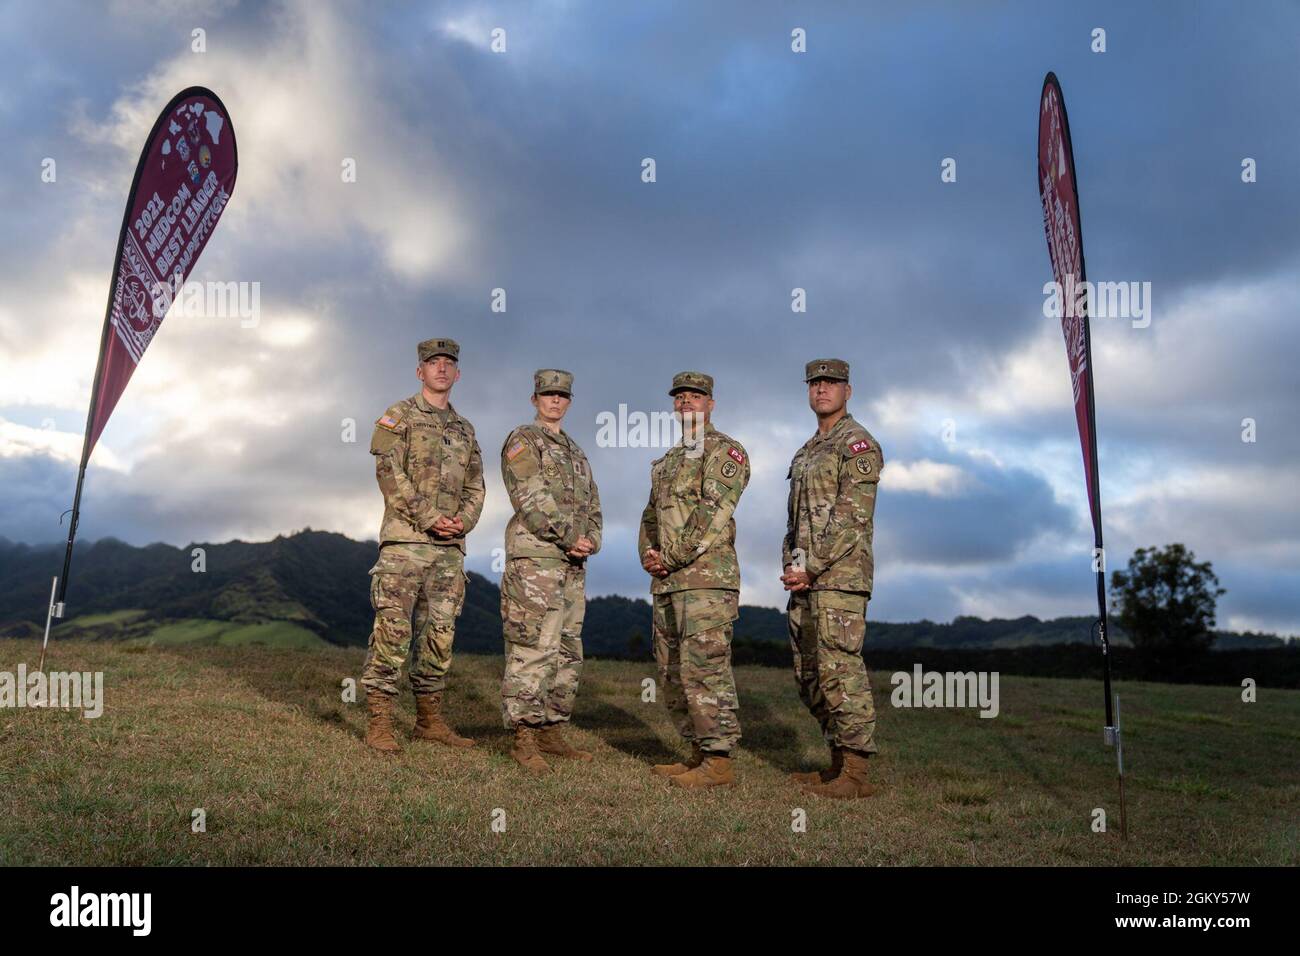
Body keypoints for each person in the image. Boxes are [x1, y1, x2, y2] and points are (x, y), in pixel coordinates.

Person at [360, 337, 485, 753]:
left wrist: (463, 521)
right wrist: (429, 517)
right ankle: (380, 720)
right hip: (405, 543)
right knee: (393, 630)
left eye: (449, 363)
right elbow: (388, 472)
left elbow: (476, 485)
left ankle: (429, 721)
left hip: (450, 551)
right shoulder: (399, 415)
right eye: (434, 363)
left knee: (440, 634)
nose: (442, 369)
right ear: (420, 371)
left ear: (458, 373)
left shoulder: (465, 429)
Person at [638, 371, 750, 789]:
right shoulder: (667, 462)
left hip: (706, 582)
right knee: (672, 671)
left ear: (711, 404)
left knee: (705, 670)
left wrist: (669, 557)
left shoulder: (726, 451)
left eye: (696, 396)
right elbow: (651, 515)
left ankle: (719, 761)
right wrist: (649, 556)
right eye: (681, 397)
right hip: (667, 581)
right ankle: (698, 752)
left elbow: (711, 512)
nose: (687, 402)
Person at [781, 358, 884, 798]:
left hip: (839, 579)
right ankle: (837, 762)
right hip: (804, 579)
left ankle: (856, 774)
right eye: (816, 383)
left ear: (848, 391)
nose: (822, 390)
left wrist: (812, 565)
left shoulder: (858, 444)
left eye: (832, 383)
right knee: (809, 674)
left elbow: (851, 519)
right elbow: (795, 519)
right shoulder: (806, 451)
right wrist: (792, 562)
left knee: (841, 670)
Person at [499, 369, 603, 773]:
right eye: (548, 394)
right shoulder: (523, 440)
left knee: (567, 648)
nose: (555, 400)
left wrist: (591, 539)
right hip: (536, 559)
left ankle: (550, 728)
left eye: (562, 395)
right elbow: (529, 495)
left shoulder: (577, 453)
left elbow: (593, 504)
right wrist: (566, 536)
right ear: (534, 399)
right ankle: (524, 735)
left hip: (572, 564)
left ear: (570, 401)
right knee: (533, 646)